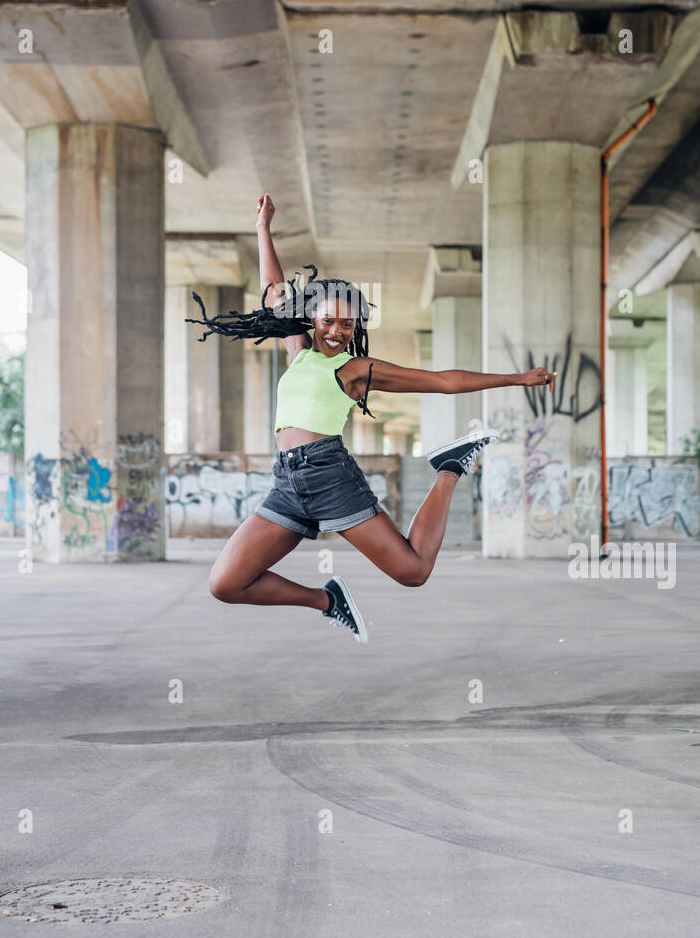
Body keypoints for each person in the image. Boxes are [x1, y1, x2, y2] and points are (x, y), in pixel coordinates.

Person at [186, 192, 556, 643]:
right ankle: (327, 601)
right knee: (225, 583)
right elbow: (273, 292)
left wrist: (516, 379)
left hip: (329, 475)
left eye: (348, 325)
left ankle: (449, 469)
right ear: (311, 317)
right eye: (329, 321)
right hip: (286, 482)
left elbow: (441, 380)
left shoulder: (355, 370)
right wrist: (263, 229)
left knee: (413, 570)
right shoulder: (299, 354)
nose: (338, 332)